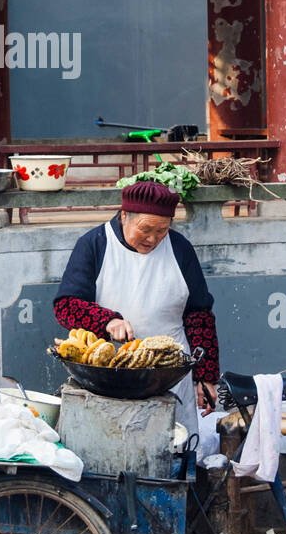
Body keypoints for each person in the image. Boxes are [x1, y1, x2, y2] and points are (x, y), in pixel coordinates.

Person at [54, 177, 219, 447]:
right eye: (146, 229)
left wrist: (206, 376)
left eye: (162, 230)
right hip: (109, 376)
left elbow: (199, 315)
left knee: (174, 453)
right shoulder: (95, 244)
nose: (153, 238)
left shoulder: (180, 249)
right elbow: (66, 305)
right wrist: (107, 321)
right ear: (124, 216)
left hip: (170, 374)